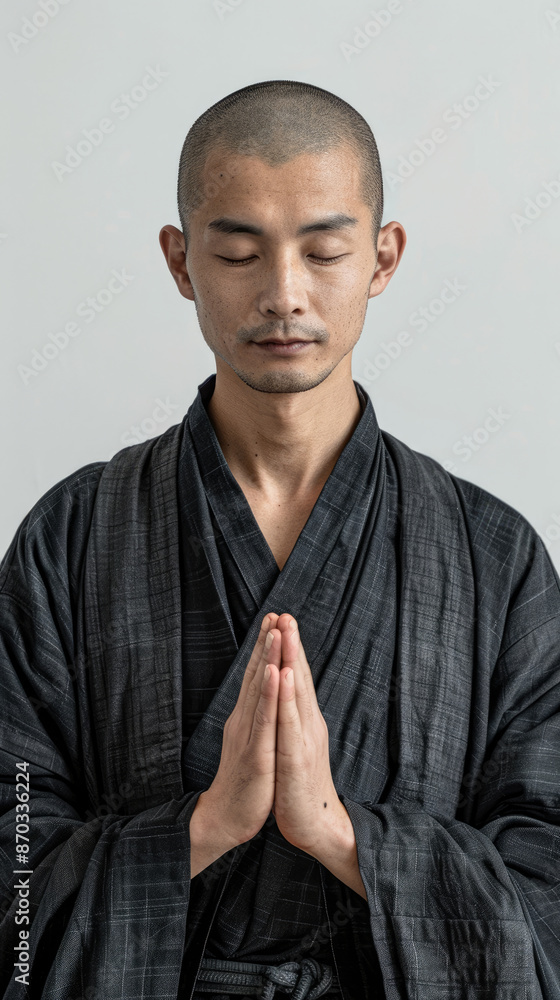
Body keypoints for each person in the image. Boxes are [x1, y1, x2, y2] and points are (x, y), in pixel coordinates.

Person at [0, 79, 559, 1000]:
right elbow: (16, 870)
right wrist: (204, 827)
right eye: (238, 252)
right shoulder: (73, 538)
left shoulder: (490, 556)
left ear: (383, 258)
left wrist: (342, 837)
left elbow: (548, 881)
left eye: (326, 249)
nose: (284, 294)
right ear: (181, 262)